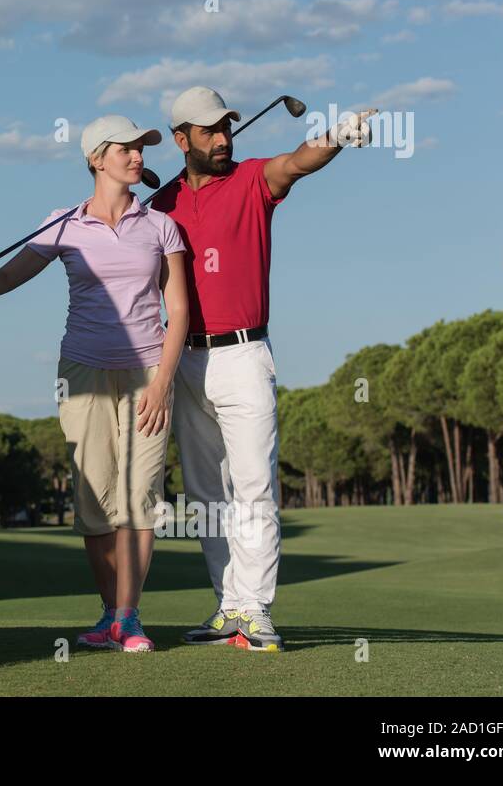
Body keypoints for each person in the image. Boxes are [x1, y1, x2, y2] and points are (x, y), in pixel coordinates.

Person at [151, 87, 374, 653]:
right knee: (205, 494)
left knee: (253, 486)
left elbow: (298, 160)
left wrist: (339, 137)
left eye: (227, 127)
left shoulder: (252, 179)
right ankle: (228, 607)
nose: (223, 138)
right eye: (209, 131)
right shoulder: (162, 206)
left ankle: (256, 608)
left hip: (244, 355)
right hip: (185, 359)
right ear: (182, 140)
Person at [0, 115, 189, 653]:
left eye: (140, 149)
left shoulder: (159, 225)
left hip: (147, 373)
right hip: (82, 372)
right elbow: (5, 283)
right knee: (94, 501)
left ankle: (130, 620)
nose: (137, 156)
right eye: (126, 149)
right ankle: (110, 613)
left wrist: (161, 384)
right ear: (96, 158)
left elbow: (177, 310)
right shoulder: (62, 223)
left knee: (140, 498)